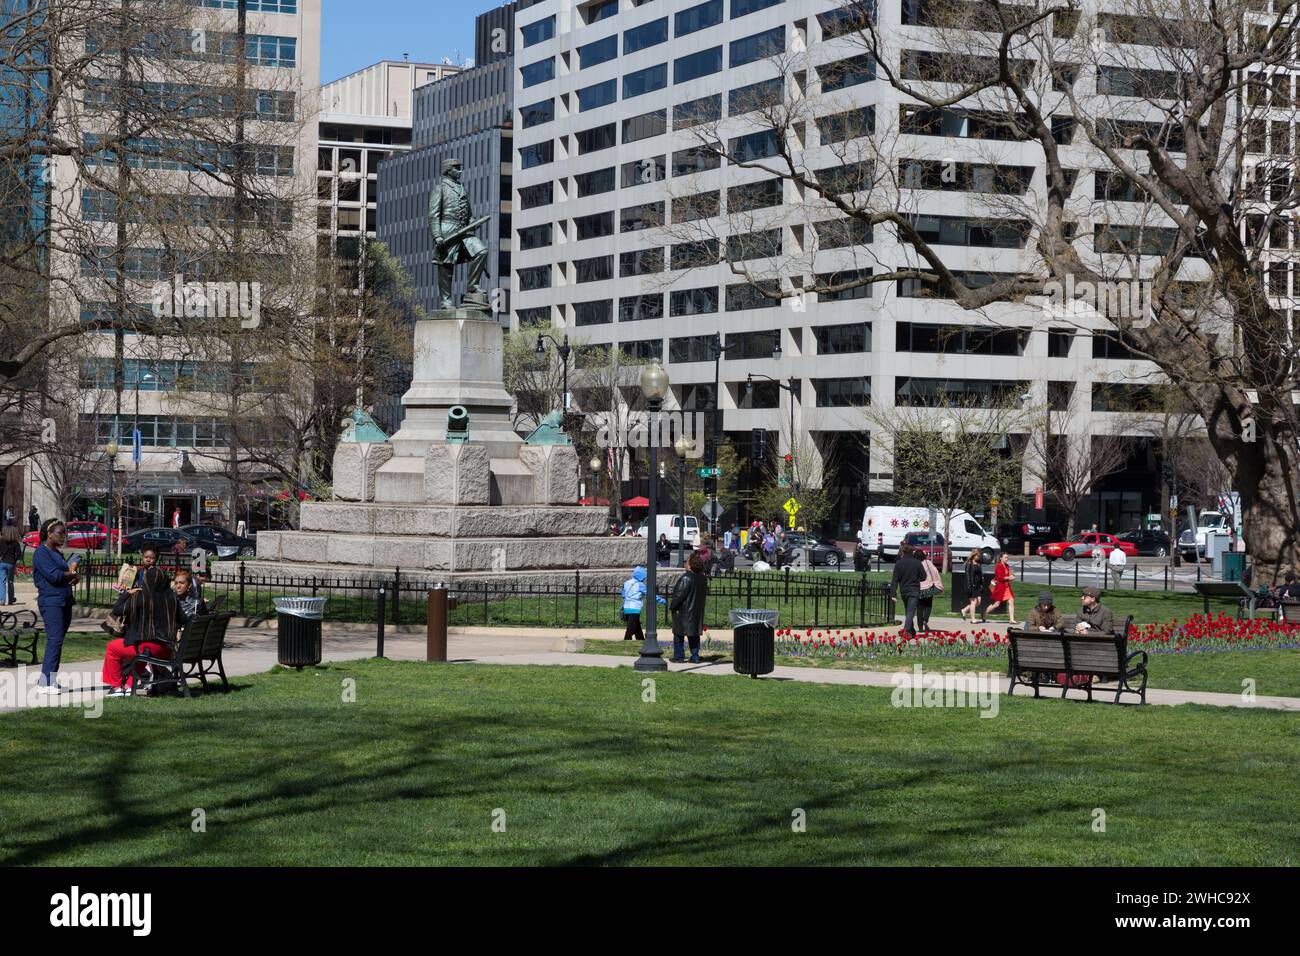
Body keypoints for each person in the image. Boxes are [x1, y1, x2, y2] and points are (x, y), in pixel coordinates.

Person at [102, 566, 181, 696]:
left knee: (112, 648)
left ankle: (116, 686)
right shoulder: (172, 598)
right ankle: (128, 685)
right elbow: (183, 619)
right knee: (143, 649)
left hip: (150, 647)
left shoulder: (142, 597)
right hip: (167, 649)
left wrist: (127, 593)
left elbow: (117, 610)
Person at [33, 519, 80, 693]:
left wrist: (72, 574)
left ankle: (50, 679)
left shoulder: (57, 553)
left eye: (64, 533)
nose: (63, 537)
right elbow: (54, 576)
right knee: (54, 640)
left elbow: (65, 573)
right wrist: (71, 574)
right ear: (49, 534)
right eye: (60, 533)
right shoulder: (41, 553)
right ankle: (43, 683)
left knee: (58, 641)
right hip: (51, 602)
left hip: (64, 600)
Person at [669, 552, 709, 663]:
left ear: (690, 565)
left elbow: (679, 595)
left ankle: (679, 656)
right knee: (694, 635)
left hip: (684, 612)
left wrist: (672, 606)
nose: (685, 565)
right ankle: (695, 656)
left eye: (687, 562)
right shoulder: (703, 578)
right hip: (696, 611)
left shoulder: (686, 578)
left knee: (678, 635)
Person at [619, 565, 664, 641]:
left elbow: (623, 594)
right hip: (635, 608)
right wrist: (662, 600)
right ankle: (626, 642)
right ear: (641, 576)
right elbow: (650, 594)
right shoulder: (640, 585)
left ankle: (641, 640)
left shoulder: (626, 583)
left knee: (637, 627)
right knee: (630, 630)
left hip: (626, 608)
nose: (644, 578)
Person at [889, 543, 925, 637]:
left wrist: (893, 594)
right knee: (910, 612)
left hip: (904, 590)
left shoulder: (899, 563)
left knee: (908, 611)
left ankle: (911, 631)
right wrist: (916, 579)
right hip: (914, 590)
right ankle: (906, 631)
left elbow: (895, 580)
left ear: (903, 552)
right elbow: (924, 577)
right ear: (912, 551)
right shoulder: (917, 562)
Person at [983, 553, 1019, 625]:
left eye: (1007, 558)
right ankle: (985, 613)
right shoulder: (998, 566)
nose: (1007, 559)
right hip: (1000, 587)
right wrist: (1009, 577)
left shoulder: (1007, 566)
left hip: (1007, 587)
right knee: (996, 604)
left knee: (1011, 601)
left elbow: (1009, 575)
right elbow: (1000, 578)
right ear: (1001, 558)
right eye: (1005, 557)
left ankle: (1011, 619)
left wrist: (1012, 577)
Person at [916, 550, 943, 633]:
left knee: (919, 608)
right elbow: (935, 572)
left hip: (918, 588)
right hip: (928, 586)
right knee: (928, 605)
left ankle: (920, 628)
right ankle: (925, 620)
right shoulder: (928, 562)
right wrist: (936, 581)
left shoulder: (915, 564)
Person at [0, 520, 21, 605]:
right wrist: (14, 560)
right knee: (11, 582)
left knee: (2, 581)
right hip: (11, 563)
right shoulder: (15, 543)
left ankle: (2, 600)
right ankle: (11, 599)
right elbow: (19, 554)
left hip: (2, 563)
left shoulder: (1, 542)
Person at [960, 550, 984, 624]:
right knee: (973, 602)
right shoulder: (969, 563)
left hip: (977, 585)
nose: (979, 557)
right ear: (974, 555)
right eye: (978, 556)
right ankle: (973, 619)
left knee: (979, 602)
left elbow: (980, 575)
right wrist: (970, 585)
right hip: (971, 584)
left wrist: (981, 583)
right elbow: (967, 575)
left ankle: (964, 610)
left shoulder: (978, 563)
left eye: (980, 556)